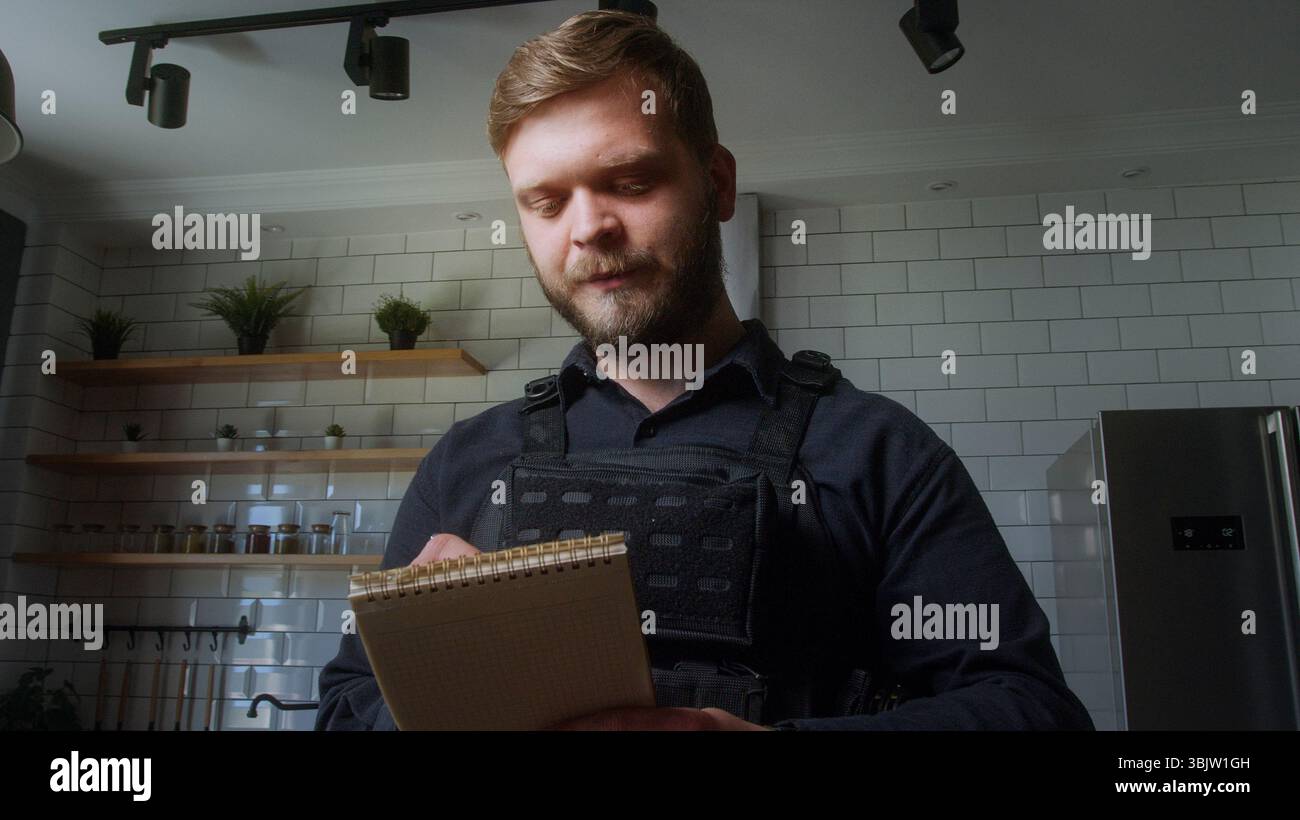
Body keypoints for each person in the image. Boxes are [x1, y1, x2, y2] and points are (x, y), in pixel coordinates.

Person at [316, 9, 1095, 731]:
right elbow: (345, 707)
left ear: (717, 183)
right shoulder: (464, 463)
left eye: (629, 181)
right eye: (547, 202)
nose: (589, 228)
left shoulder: (879, 452)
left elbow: (1033, 710)